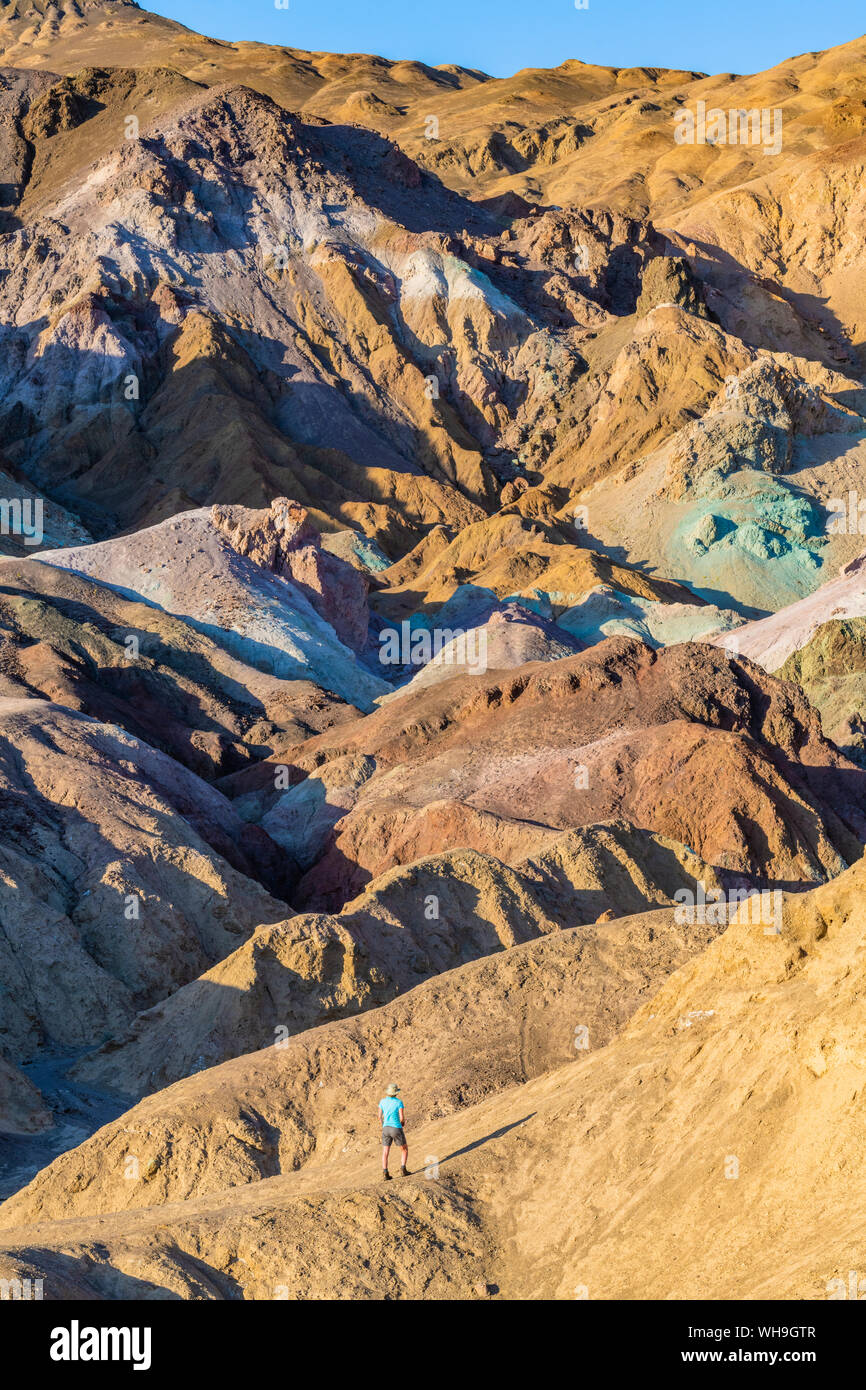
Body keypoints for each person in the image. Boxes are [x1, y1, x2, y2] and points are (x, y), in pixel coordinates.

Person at [379, 1082, 410, 1179]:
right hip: (396, 1128)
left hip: (385, 1128)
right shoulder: (399, 1102)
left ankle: (385, 1173)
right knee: (404, 1149)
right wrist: (402, 1123)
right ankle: (403, 1169)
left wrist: (383, 1125)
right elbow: (402, 1117)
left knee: (385, 1152)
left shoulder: (382, 1102)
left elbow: (379, 1116)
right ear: (396, 1093)